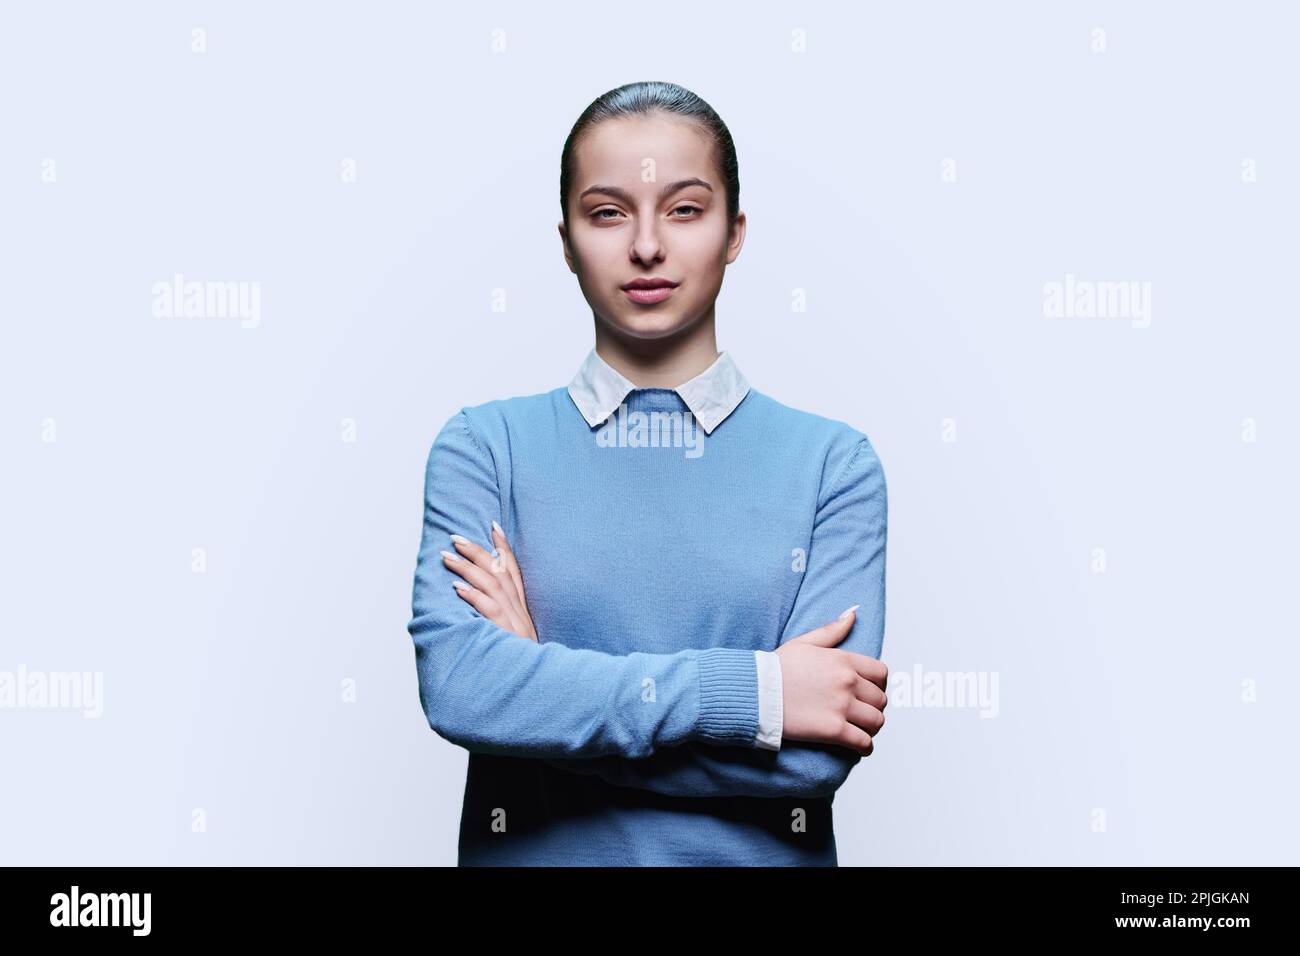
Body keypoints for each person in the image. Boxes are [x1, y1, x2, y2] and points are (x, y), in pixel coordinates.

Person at [406, 80, 889, 866]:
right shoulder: (483, 448)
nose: (647, 246)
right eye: (607, 212)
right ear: (565, 241)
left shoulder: (834, 466)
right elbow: (463, 689)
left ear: (735, 232)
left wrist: (539, 694)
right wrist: (757, 696)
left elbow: (812, 759)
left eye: (685, 209)